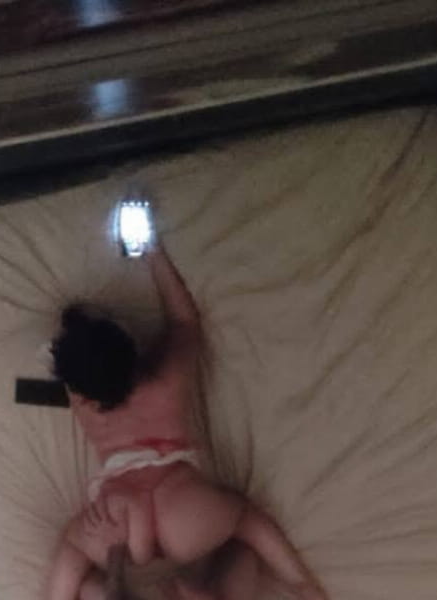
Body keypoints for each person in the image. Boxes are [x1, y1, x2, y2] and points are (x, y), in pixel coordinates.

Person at [48, 243, 327, 600]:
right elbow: (184, 320)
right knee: (243, 522)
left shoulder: (82, 400)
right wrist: (154, 254)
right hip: (183, 508)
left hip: (118, 524)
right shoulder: (168, 381)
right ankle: (302, 583)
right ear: (133, 352)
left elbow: (70, 357)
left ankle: (145, 585)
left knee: (74, 552)